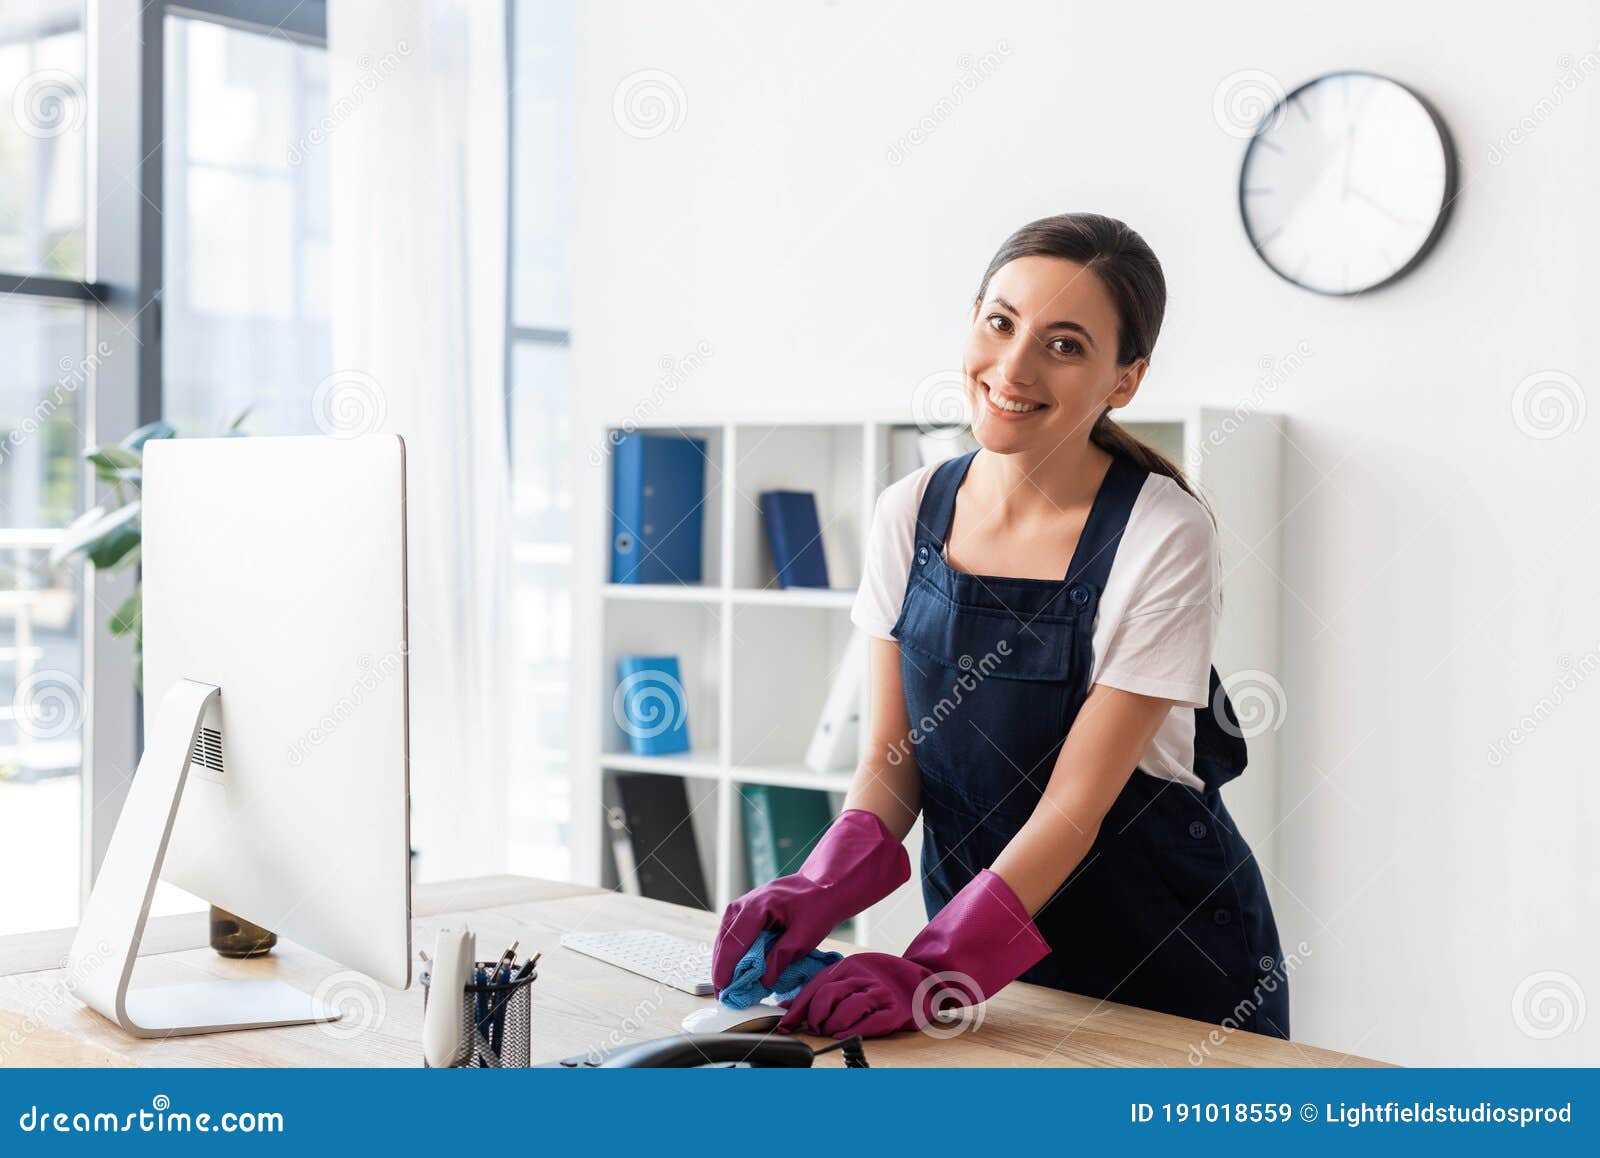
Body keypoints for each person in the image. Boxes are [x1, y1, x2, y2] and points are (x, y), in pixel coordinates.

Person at [713, 212, 1287, 1041]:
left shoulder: (1163, 534)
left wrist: (935, 965)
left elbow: (1073, 808)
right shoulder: (908, 512)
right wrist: (819, 886)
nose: (1012, 366)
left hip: (1166, 960)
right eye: (1000, 322)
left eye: (1065, 344)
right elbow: (890, 759)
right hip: (984, 964)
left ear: (1123, 380)